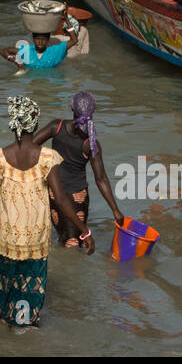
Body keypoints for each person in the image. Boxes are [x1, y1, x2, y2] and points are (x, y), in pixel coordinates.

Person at [0, 97, 93, 328]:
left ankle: (4, 326)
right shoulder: (47, 158)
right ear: (34, 125)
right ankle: (25, 324)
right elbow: (62, 199)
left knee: (4, 283)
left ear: (14, 125)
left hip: (7, 238)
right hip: (35, 239)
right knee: (30, 286)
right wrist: (84, 230)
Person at [32, 92, 125, 249]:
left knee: (65, 239)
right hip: (78, 197)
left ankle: (61, 268)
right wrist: (115, 210)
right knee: (78, 242)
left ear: (72, 108)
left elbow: (31, 145)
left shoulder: (56, 127)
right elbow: (101, 178)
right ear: (92, 112)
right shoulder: (90, 143)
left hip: (54, 193)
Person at [0, 30, 70, 69]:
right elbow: (2, 51)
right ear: (33, 39)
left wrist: (67, 20)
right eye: (37, 39)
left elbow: (74, 41)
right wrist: (12, 59)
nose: (40, 42)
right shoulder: (27, 51)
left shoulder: (54, 51)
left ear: (48, 39)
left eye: (43, 39)